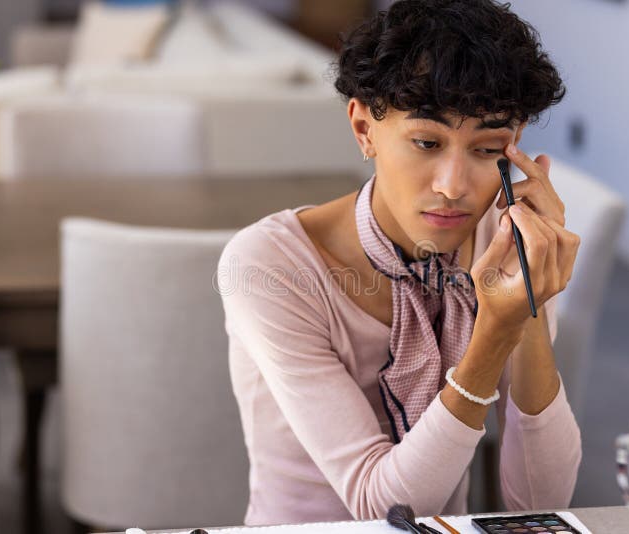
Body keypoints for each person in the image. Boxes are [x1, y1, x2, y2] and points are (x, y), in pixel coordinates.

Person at [217, 0, 582, 526]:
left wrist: (526, 310)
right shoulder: (271, 264)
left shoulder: (507, 243)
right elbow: (380, 511)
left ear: (514, 148)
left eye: (485, 150)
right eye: (427, 142)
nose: (453, 187)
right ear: (365, 129)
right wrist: (491, 337)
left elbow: (541, 503)